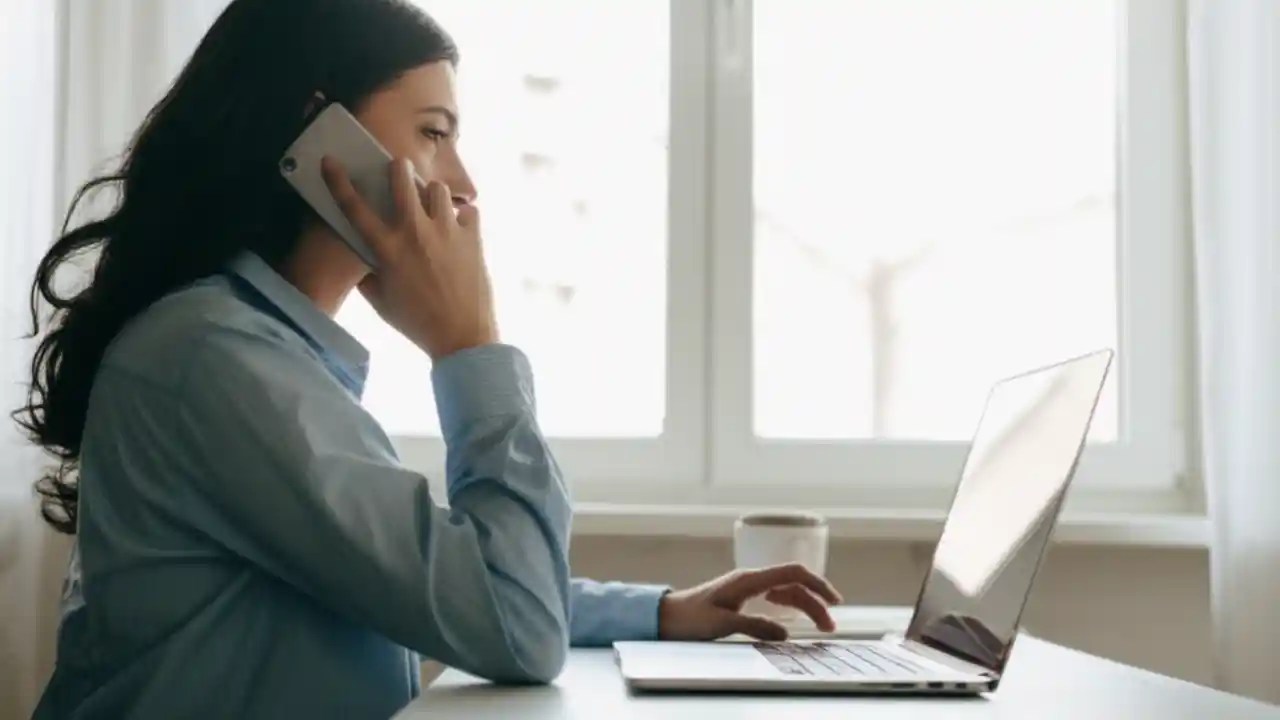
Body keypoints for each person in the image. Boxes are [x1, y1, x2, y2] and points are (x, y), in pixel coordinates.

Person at [15, 1, 842, 717]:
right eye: (434, 134)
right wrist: (470, 344)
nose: (464, 183)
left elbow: (421, 577)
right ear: (319, 135)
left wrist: (657, 613)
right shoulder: (213, 360)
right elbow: (512, 626)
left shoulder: (259, 351)